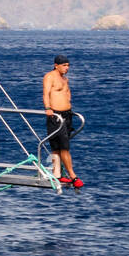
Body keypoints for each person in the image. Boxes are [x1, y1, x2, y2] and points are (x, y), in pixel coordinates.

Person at [43, 54, 82, 188]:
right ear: (56, 65)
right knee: (63, 147)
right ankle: (73, 175)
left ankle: (58, 174)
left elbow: (66, 93)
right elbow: (46, 93)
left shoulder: (65, 79)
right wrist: (48, 108)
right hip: (56, 116)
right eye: (64, 65)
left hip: (67, 115)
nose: (67, 68)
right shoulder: (50, 77)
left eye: (68, 65)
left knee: (59, 147)